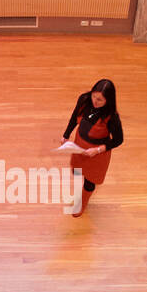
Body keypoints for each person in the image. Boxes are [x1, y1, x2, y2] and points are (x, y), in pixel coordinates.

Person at [61, 78, 123, 217]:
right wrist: (66, 135)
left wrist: (98, 150)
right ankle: (79, 195)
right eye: (94, 96)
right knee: (77, 172)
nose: (95, 101)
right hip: (79, 144)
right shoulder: (84, 99)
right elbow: (74, 116)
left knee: (89, 180)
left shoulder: (112, 117)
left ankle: (82, 204)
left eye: (100, 100)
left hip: (97, 153)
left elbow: (119, 140)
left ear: (109, 100)